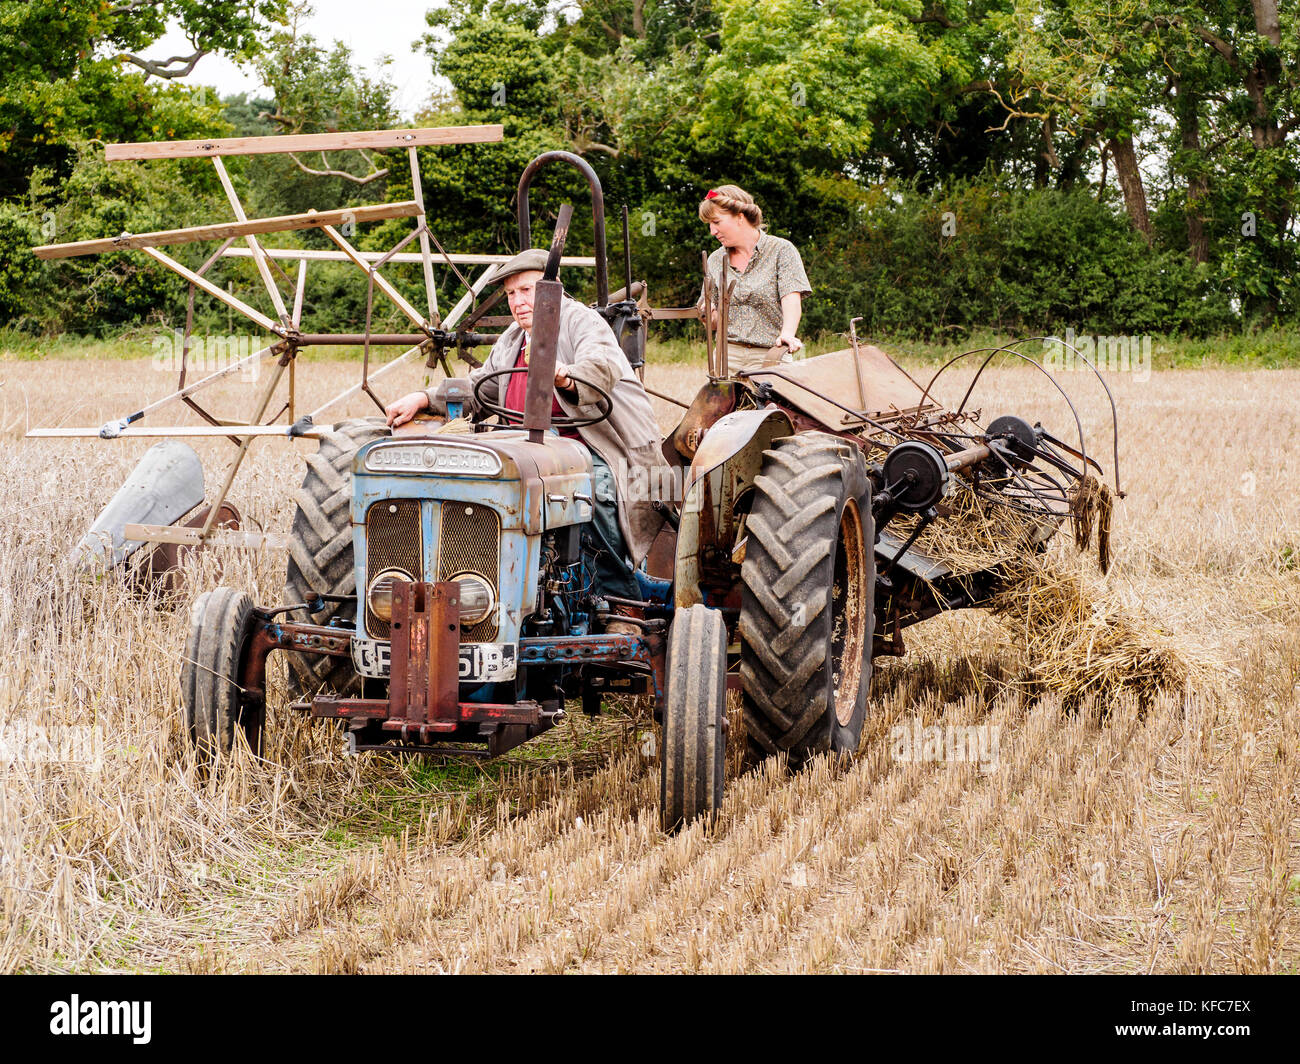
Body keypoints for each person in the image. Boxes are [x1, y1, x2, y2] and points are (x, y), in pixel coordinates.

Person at [385, 249, 670, 634]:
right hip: (523, 450)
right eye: (511, 294)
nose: (518, 301)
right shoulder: (513, 338)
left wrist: (566, 376)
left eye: (527, 290)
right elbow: (480, 385)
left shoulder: (580, 322)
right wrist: (424, 398)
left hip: (590, 446)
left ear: (552, 289)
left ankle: (621, 605)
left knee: (595, 493)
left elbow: (601, 364)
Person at [697, 184, 812, 372]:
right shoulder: (716, 259)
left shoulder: (781, 250)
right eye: (709, 225)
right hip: (727, 356)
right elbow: (715, 323)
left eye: (716, 222)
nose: (712, 231)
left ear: (740, 217)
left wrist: (787, 334)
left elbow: (791, 297)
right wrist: (706, 314)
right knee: (715, 401)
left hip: (770, 353)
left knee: (773, 402)